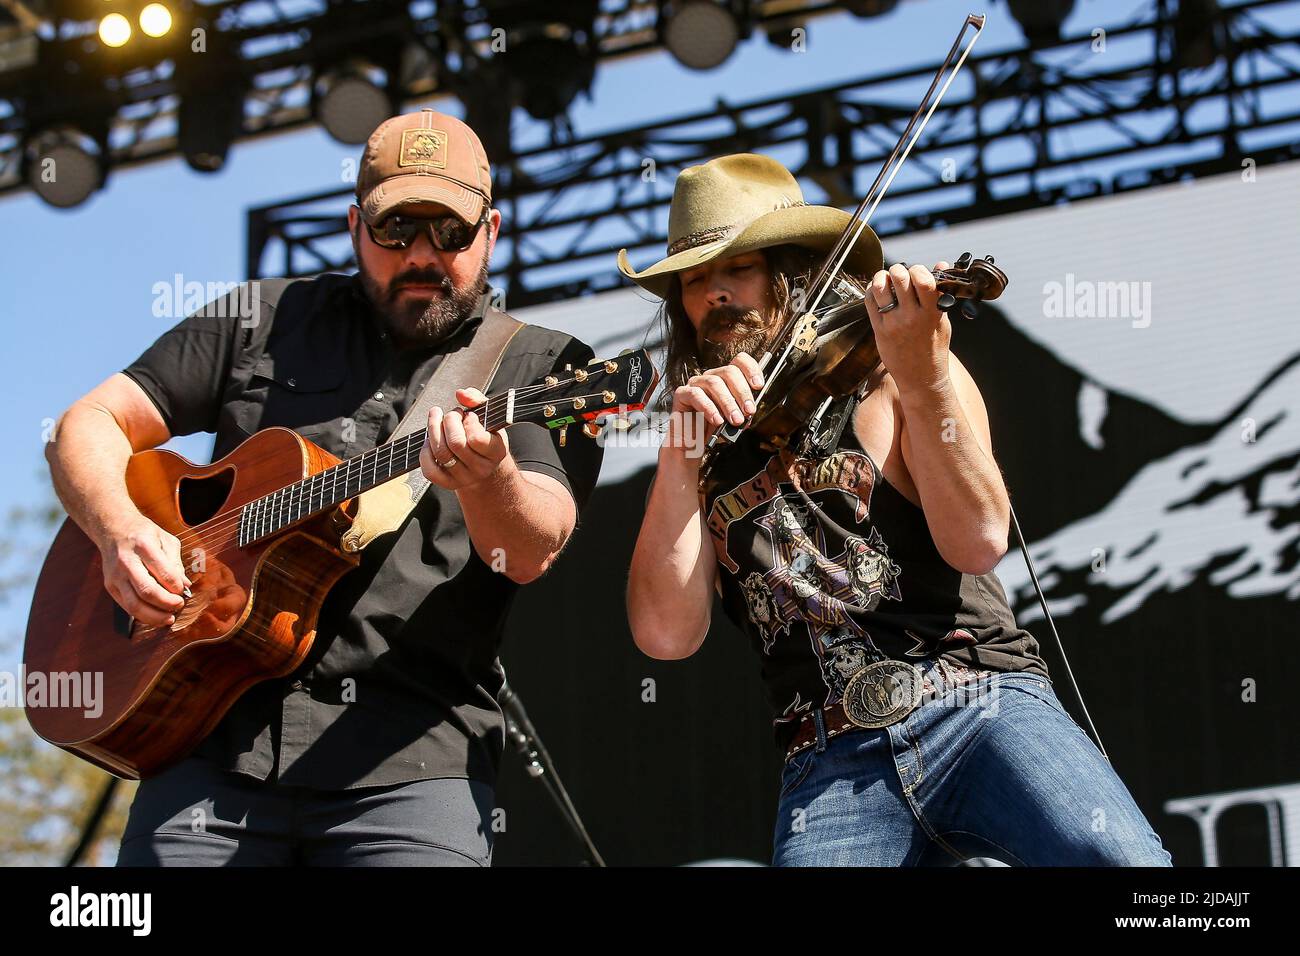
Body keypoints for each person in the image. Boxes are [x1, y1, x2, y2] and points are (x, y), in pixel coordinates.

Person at [45, 109, 604, 866]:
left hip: (411, 765)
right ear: (353, 226)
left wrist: (491, 476)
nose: (422, 253)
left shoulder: (546, 366)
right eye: (396, 228)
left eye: (451, 232)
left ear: (493, 230)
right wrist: (118, 531)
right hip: (206, 747)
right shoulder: (261, 321)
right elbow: (88, 423)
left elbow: (534, 547)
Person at [622, 152, 1171, 866]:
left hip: (978, 703)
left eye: (739, 269)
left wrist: (925, 374)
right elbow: (665, 635)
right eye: (696, 280)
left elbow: (978, 540)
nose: (716, 295)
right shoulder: (698, 449)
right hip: (829, 756)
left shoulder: (889, 373)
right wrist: (678, 456)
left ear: (795, 270)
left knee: (1125, 864)